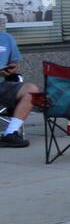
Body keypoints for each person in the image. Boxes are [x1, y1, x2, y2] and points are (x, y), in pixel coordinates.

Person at [0, 15, 41, 148]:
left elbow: (14, 63)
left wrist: (10, 69)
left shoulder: (6, 38)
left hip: (3, 84)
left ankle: (10, 133)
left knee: (31, 89)